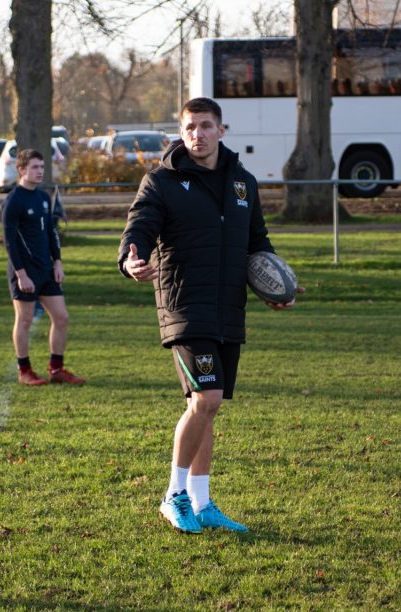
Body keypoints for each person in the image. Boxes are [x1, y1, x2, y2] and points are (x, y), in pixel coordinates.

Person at [118, 97, 301, 535]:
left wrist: (274, 287)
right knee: (207, 398)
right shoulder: (162, 181)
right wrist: (130, 259)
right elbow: (139, 227)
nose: (197, 134)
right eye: (189, 127)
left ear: (221, 130)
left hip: (227, 307)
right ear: (181, 133)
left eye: (204, 126)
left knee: (206, 407)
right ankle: (173, 496)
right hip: (184, 305)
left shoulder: (243, 183)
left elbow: (257, 242)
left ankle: (201, 502)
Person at [1, 148, 85, 386]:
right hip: (24, 272)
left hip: (46, 270)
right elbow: (10, 242)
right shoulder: (13, 201)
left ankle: (56, 369)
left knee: (62, 317)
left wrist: (57, 262)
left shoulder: (44, 198)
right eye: (35, 167)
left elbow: (51, 232)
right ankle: (24, 370)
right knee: (25, 320)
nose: (40, 171)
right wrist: (21, 275)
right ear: (21, 170)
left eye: (42, 167)